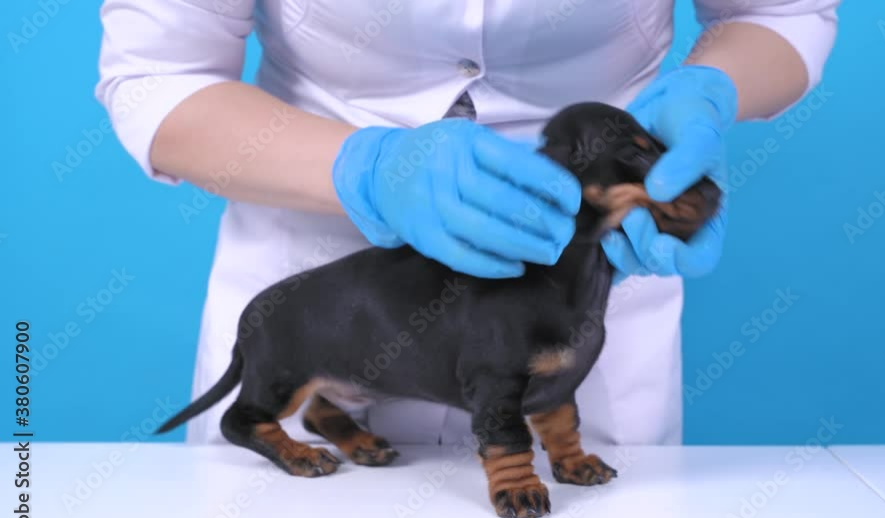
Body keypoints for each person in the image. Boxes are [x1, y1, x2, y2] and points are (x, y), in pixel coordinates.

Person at [96, 0, 839, 447]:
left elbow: (772, 10)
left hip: (586, 290)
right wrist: (365, 170)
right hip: (319, 278)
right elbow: (157, 74)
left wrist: (710, 87)